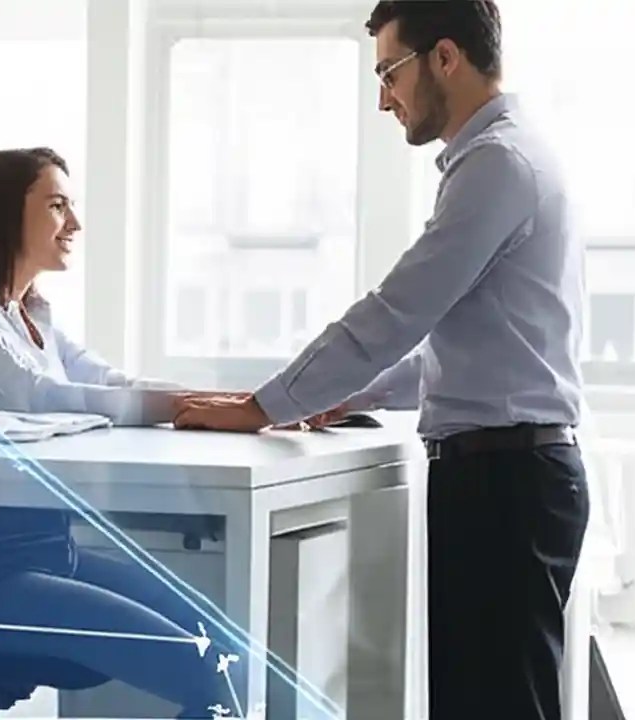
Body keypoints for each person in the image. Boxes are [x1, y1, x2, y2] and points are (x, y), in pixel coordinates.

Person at [175, 3, 590, 719]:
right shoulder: (501, 157)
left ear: (446, 58)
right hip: (504, 478)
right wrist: (339, 397)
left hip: (506, 487)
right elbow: (461, 346)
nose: (383, 97)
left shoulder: (498, 165)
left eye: (389, 71)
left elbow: (399, 310)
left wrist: (267, 406)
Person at [0, 147, 234, 718]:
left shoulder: (29, 311)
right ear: (7, 214)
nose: (74, 224)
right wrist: (179, 405)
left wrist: (221, 403)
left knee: (226, 644)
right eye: (57, 206)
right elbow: (42, 396)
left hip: (53, 558)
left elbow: (108, 379)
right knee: (203, 672)